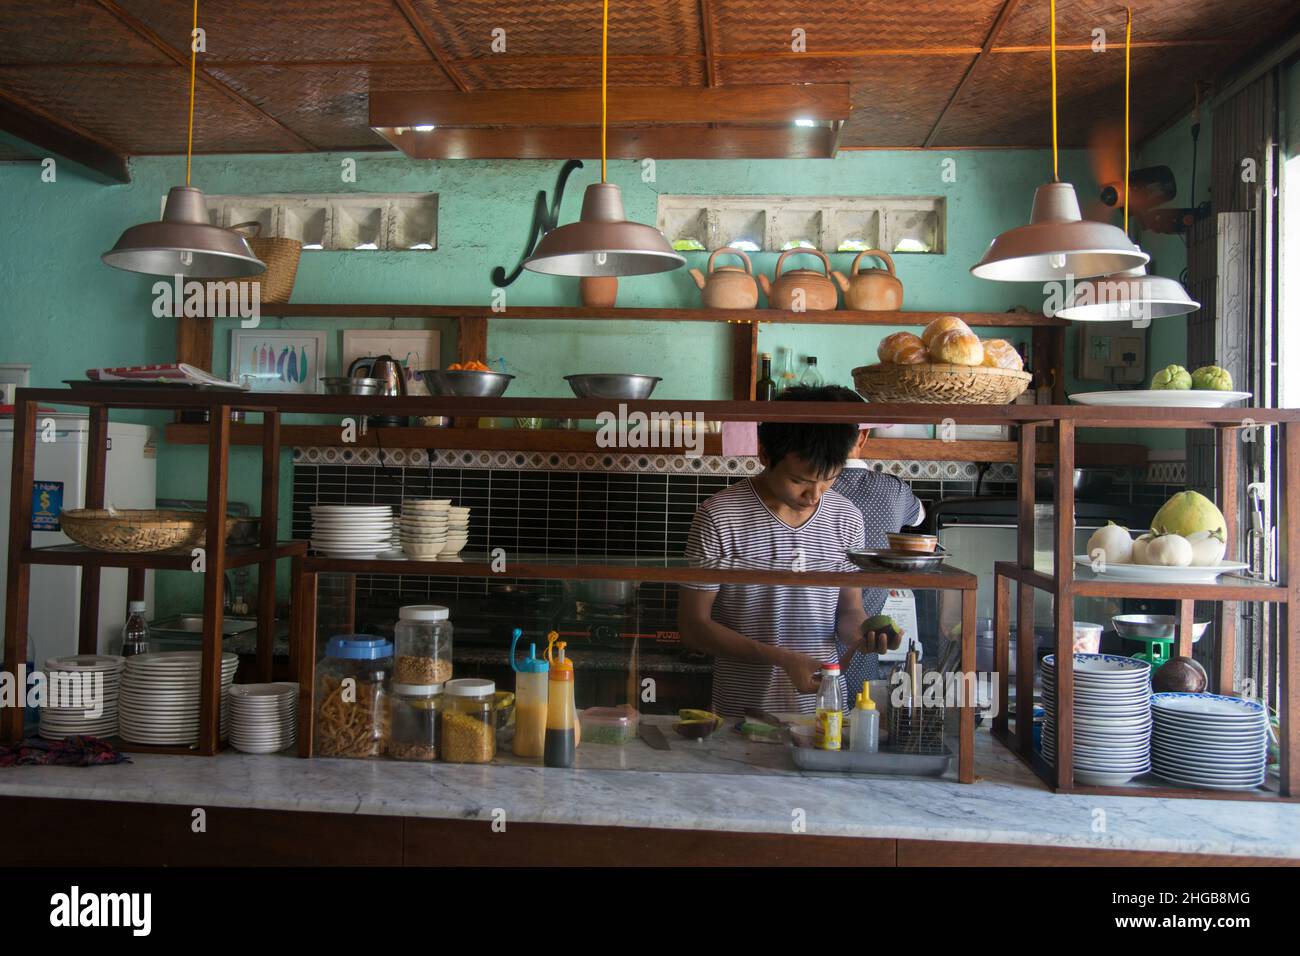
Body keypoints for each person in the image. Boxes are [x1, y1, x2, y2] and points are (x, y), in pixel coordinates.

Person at [678, 386, 902, 716]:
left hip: (823, 711)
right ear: (765, 455)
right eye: (799, 481)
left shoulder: (847, 517)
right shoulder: (719, 516)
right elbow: (693, 627)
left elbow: (848, 611)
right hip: (743, 711)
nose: (814, 495)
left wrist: (864, 633)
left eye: (828, 480)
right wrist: (780, 659)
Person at [828, 385, 926, 692]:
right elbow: (920, 516)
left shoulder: (805, 490)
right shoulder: (894, 491)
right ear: (862, 436)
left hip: (795, 651)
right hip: (865, 645)